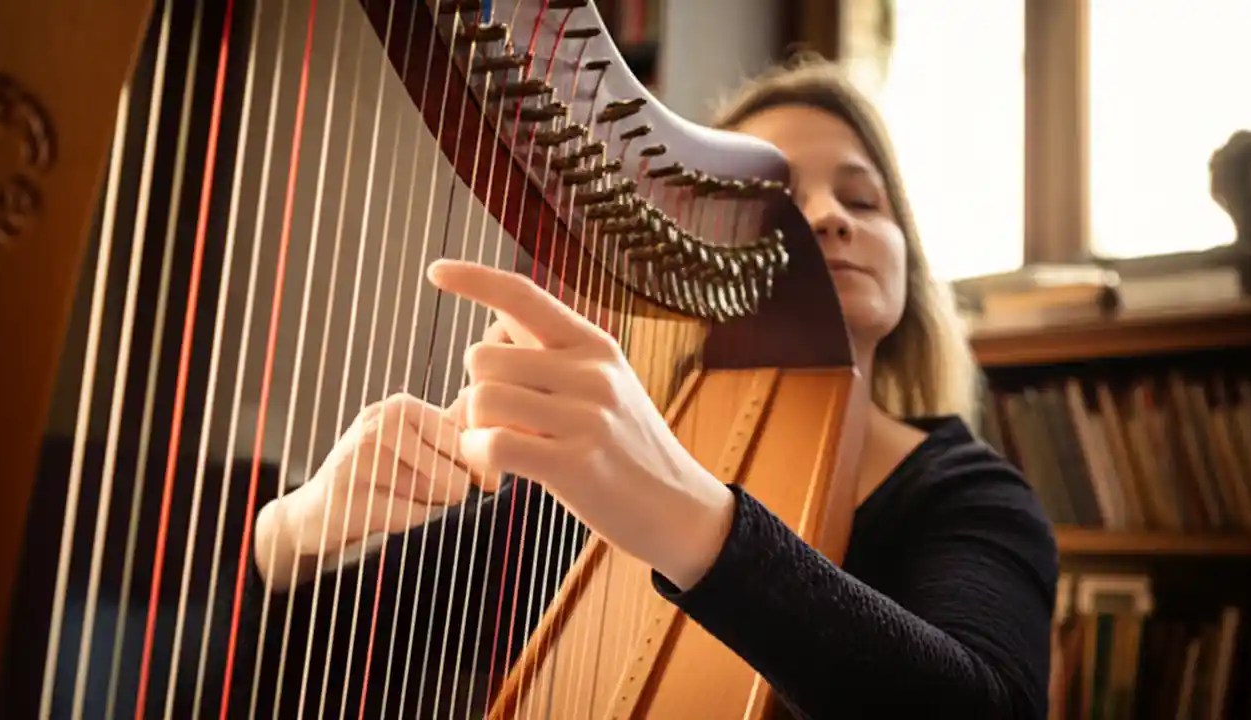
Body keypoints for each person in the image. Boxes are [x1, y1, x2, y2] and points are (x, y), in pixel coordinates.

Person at [245, 56, 1059, 718]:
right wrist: (299, 532)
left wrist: (682, 515)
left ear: (908, 263)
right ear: (684, 269)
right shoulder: (595, 468)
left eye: (861, 199)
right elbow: (311, 667)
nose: (828, 219)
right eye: (772, 208)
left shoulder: (967, 494)